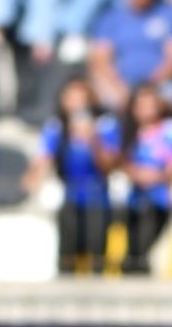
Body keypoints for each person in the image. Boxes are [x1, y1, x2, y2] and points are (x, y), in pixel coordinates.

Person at [21, 76, 120, 274]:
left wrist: (93, 139)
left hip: (97, 194)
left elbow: (109, 163)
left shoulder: (105, 124)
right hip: (69, 192)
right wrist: (33, 177)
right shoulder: (57, 125)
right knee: (68, 247)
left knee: (96, 245)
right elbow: (45, 156)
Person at [118, 83, 172, 274]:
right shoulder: (128, 132)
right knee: (132, 246)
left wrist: (158, 175)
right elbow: (119, 160)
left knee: (146, 245)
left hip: (160, 199)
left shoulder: (167, 130)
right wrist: (135, 172)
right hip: (135, 199)